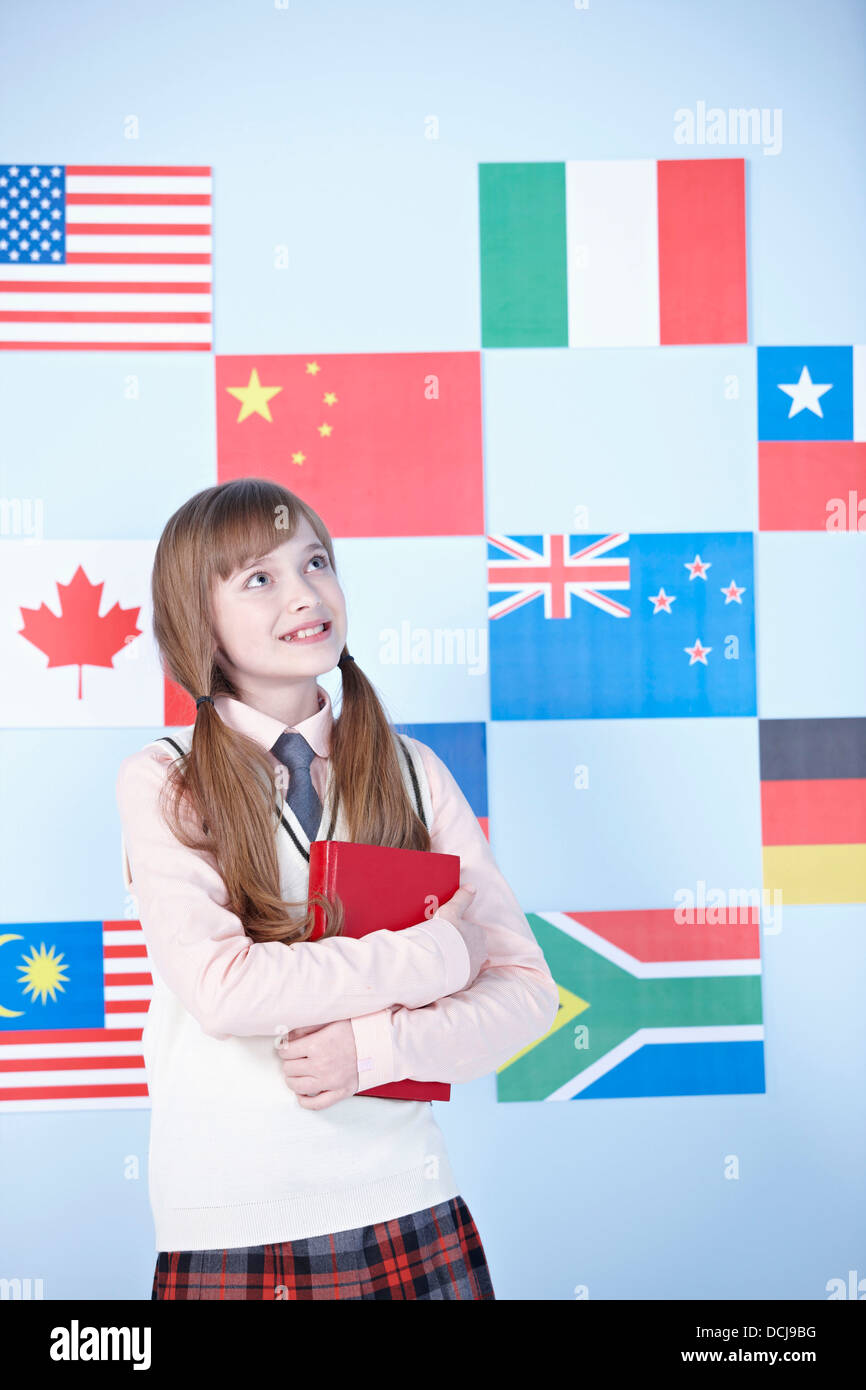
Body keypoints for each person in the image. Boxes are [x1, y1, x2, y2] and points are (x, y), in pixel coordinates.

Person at [115, 476, 560, 1300]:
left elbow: (527, 994)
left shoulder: (412, 772)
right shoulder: (166, 781)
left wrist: (376, 1052)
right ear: (196, 621)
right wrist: (436, 955)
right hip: (230, 1226)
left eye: (315, 561)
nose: (304, 592)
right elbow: (223, 989)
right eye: (260, 577)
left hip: (408, 1203)